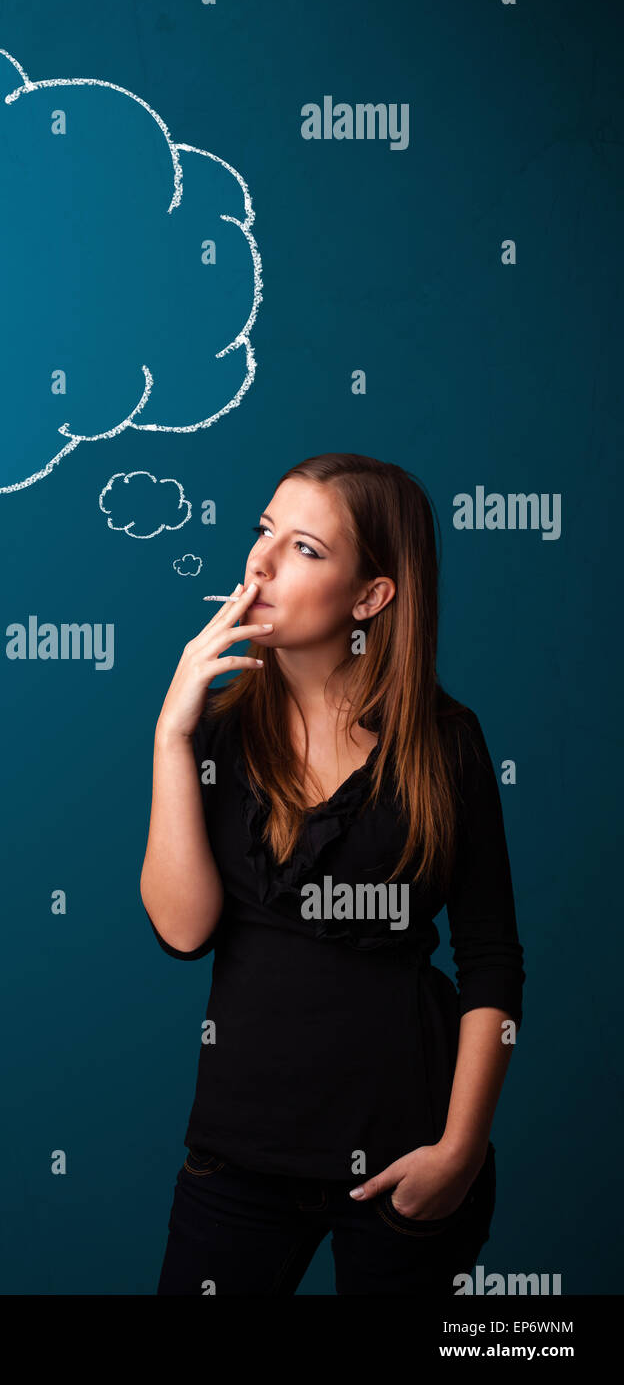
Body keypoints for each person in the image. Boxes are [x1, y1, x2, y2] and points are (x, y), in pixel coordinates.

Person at [140, 452, 525, 1295]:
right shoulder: (217, 733)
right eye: (265, 532)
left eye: (306, 549)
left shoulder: (446, 741)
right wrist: (172, 736)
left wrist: (457, 1154)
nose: (262, 564)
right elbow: (184, 930)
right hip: (239, 1158)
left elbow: (491, 958)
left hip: (403, 1158)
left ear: (371, 597)